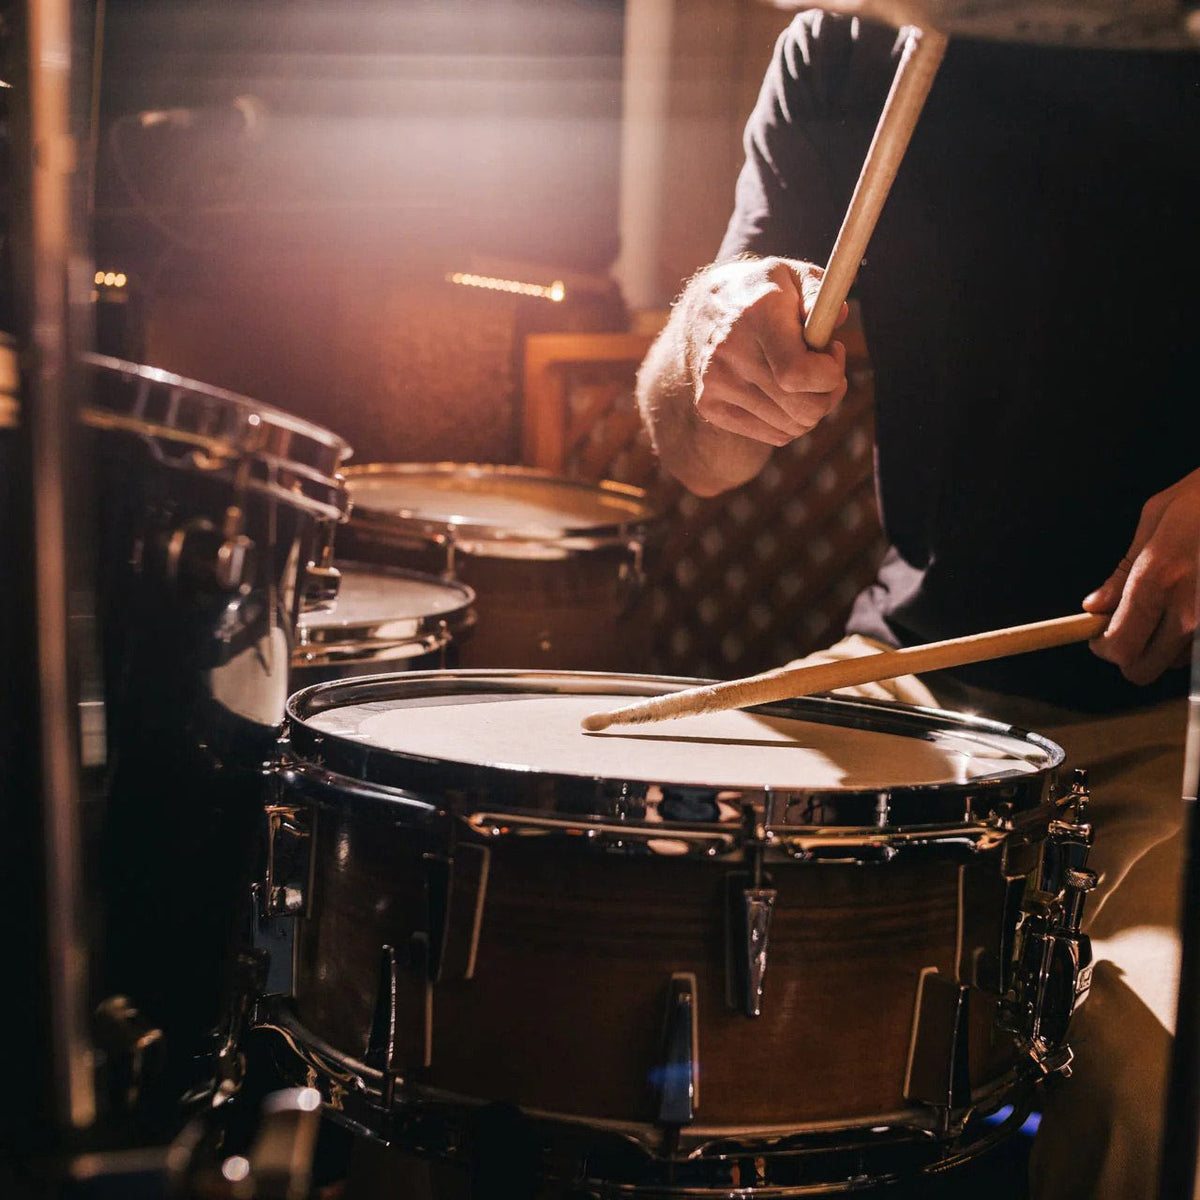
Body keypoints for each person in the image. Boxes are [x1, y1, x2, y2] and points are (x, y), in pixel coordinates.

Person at [636, 11, 1200, 1197]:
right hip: (912, 684)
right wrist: (710, 340)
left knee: (1146, 1073)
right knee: (643, 932)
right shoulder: (852, 43)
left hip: (1182, 723)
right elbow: (695, 452)